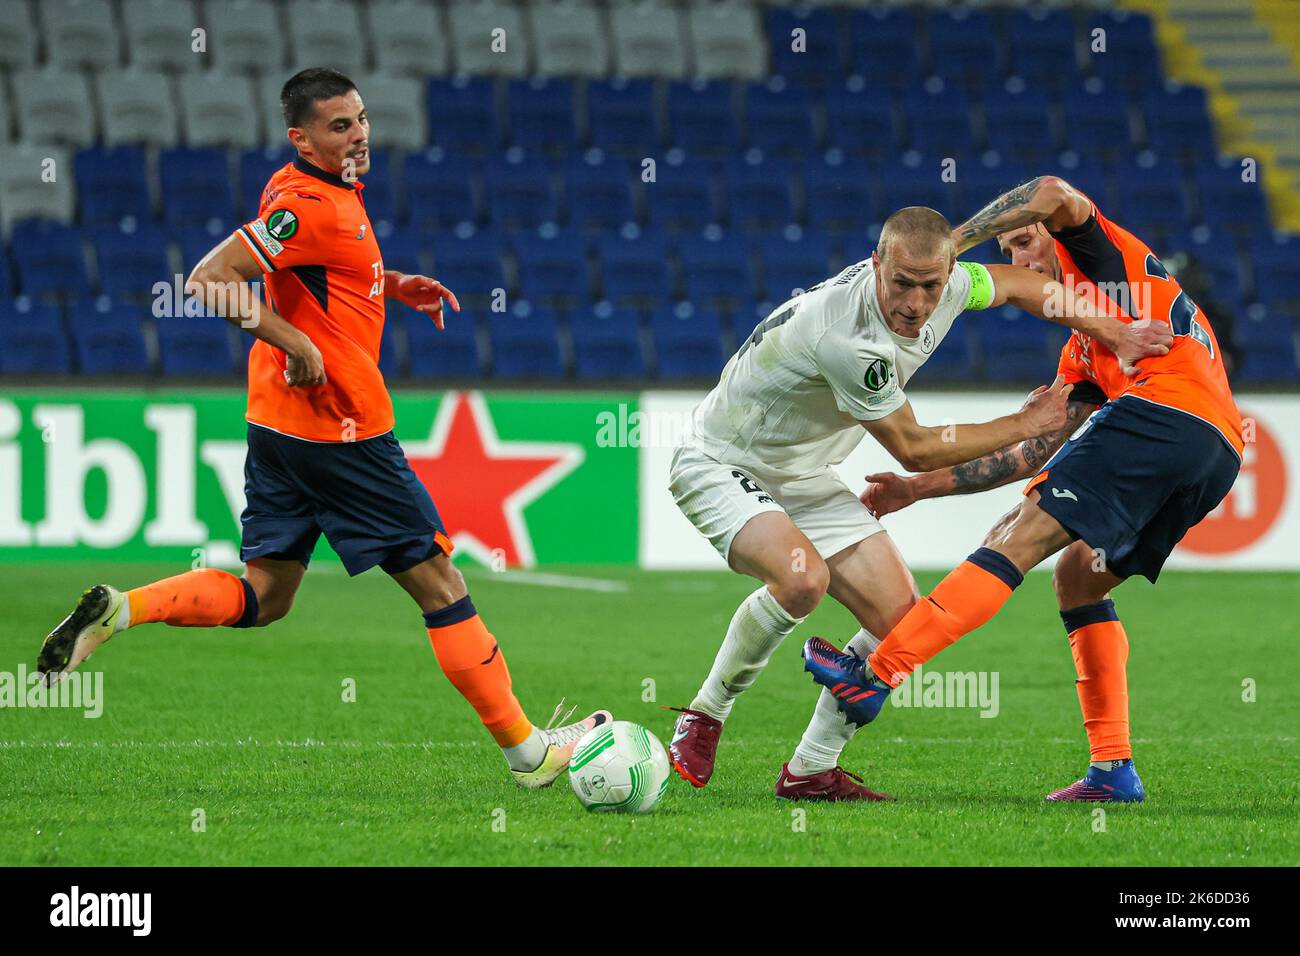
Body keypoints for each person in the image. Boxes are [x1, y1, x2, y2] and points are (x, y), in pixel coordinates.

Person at [37, 68, 608, 789]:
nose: (360, 134)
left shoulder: (301, 189)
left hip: (277, 425)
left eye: (362, 119)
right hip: (342, 428)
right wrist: (296, 343)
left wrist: (388, 285)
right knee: (439, 581)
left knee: (267, 595)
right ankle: (529, 755)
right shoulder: (312, 205)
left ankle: (123, 610)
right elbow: (209, 281)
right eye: (340, 126)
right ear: (301, 136)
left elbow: (308, 274)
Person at [666, 204, 1171, 801]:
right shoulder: (845, 338)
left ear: (949, 271)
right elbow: (916, 448)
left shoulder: (952, 280)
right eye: (900, 283)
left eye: (930, 286)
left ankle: (810, 770)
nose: (914, 302)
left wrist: (1115, 332)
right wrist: (1023, 422)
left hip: (804, 474)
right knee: (802, 579)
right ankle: (705, 714)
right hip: (720, 459)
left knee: (901, 623)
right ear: (876, 263)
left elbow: (1022, 284)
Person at [804, 176, 1243, 802]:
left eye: (1022, 242)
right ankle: (1113, 771)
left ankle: (875, 676)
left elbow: (1051, 190)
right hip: (1215, 450)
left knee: (1015, 535)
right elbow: (1029, 452)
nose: (1018, 260)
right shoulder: (1086, 348)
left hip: (1166, 410)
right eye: (1008, 252)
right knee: (1077, 578)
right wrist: (917, 486)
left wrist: (952, 243)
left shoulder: (1101, 257)